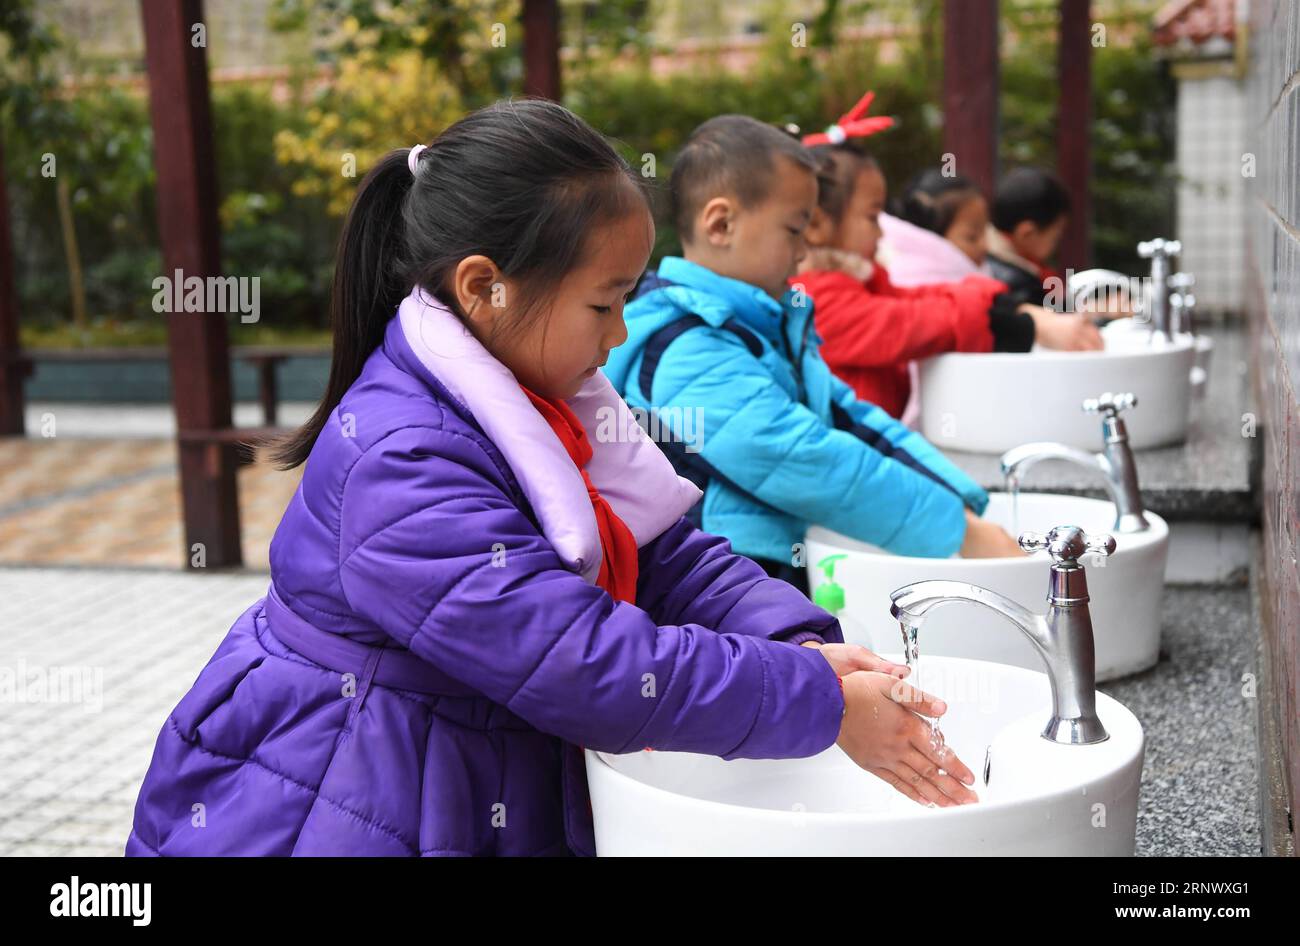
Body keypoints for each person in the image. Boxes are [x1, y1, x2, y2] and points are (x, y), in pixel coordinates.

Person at [125, 100, 978, 858]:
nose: (617, 338)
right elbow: (584, 662)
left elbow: (670, 553)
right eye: (603, 305)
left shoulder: (547, 391)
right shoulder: (402, 464)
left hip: (467, 768)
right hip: (347, 790)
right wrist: (817, 704)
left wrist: (798, 646)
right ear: (484, 288)